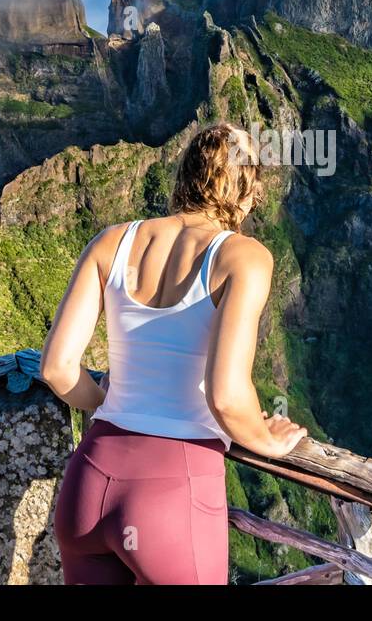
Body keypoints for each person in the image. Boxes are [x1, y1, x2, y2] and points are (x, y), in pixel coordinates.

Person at [39, 122, 309, 584]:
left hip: (88, 483)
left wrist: (109, 400)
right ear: (244, 188)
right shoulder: (244, 257)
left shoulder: (111, 241)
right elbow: (225, 396)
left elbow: (57, 368)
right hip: (172, 490)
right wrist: (267, 440)